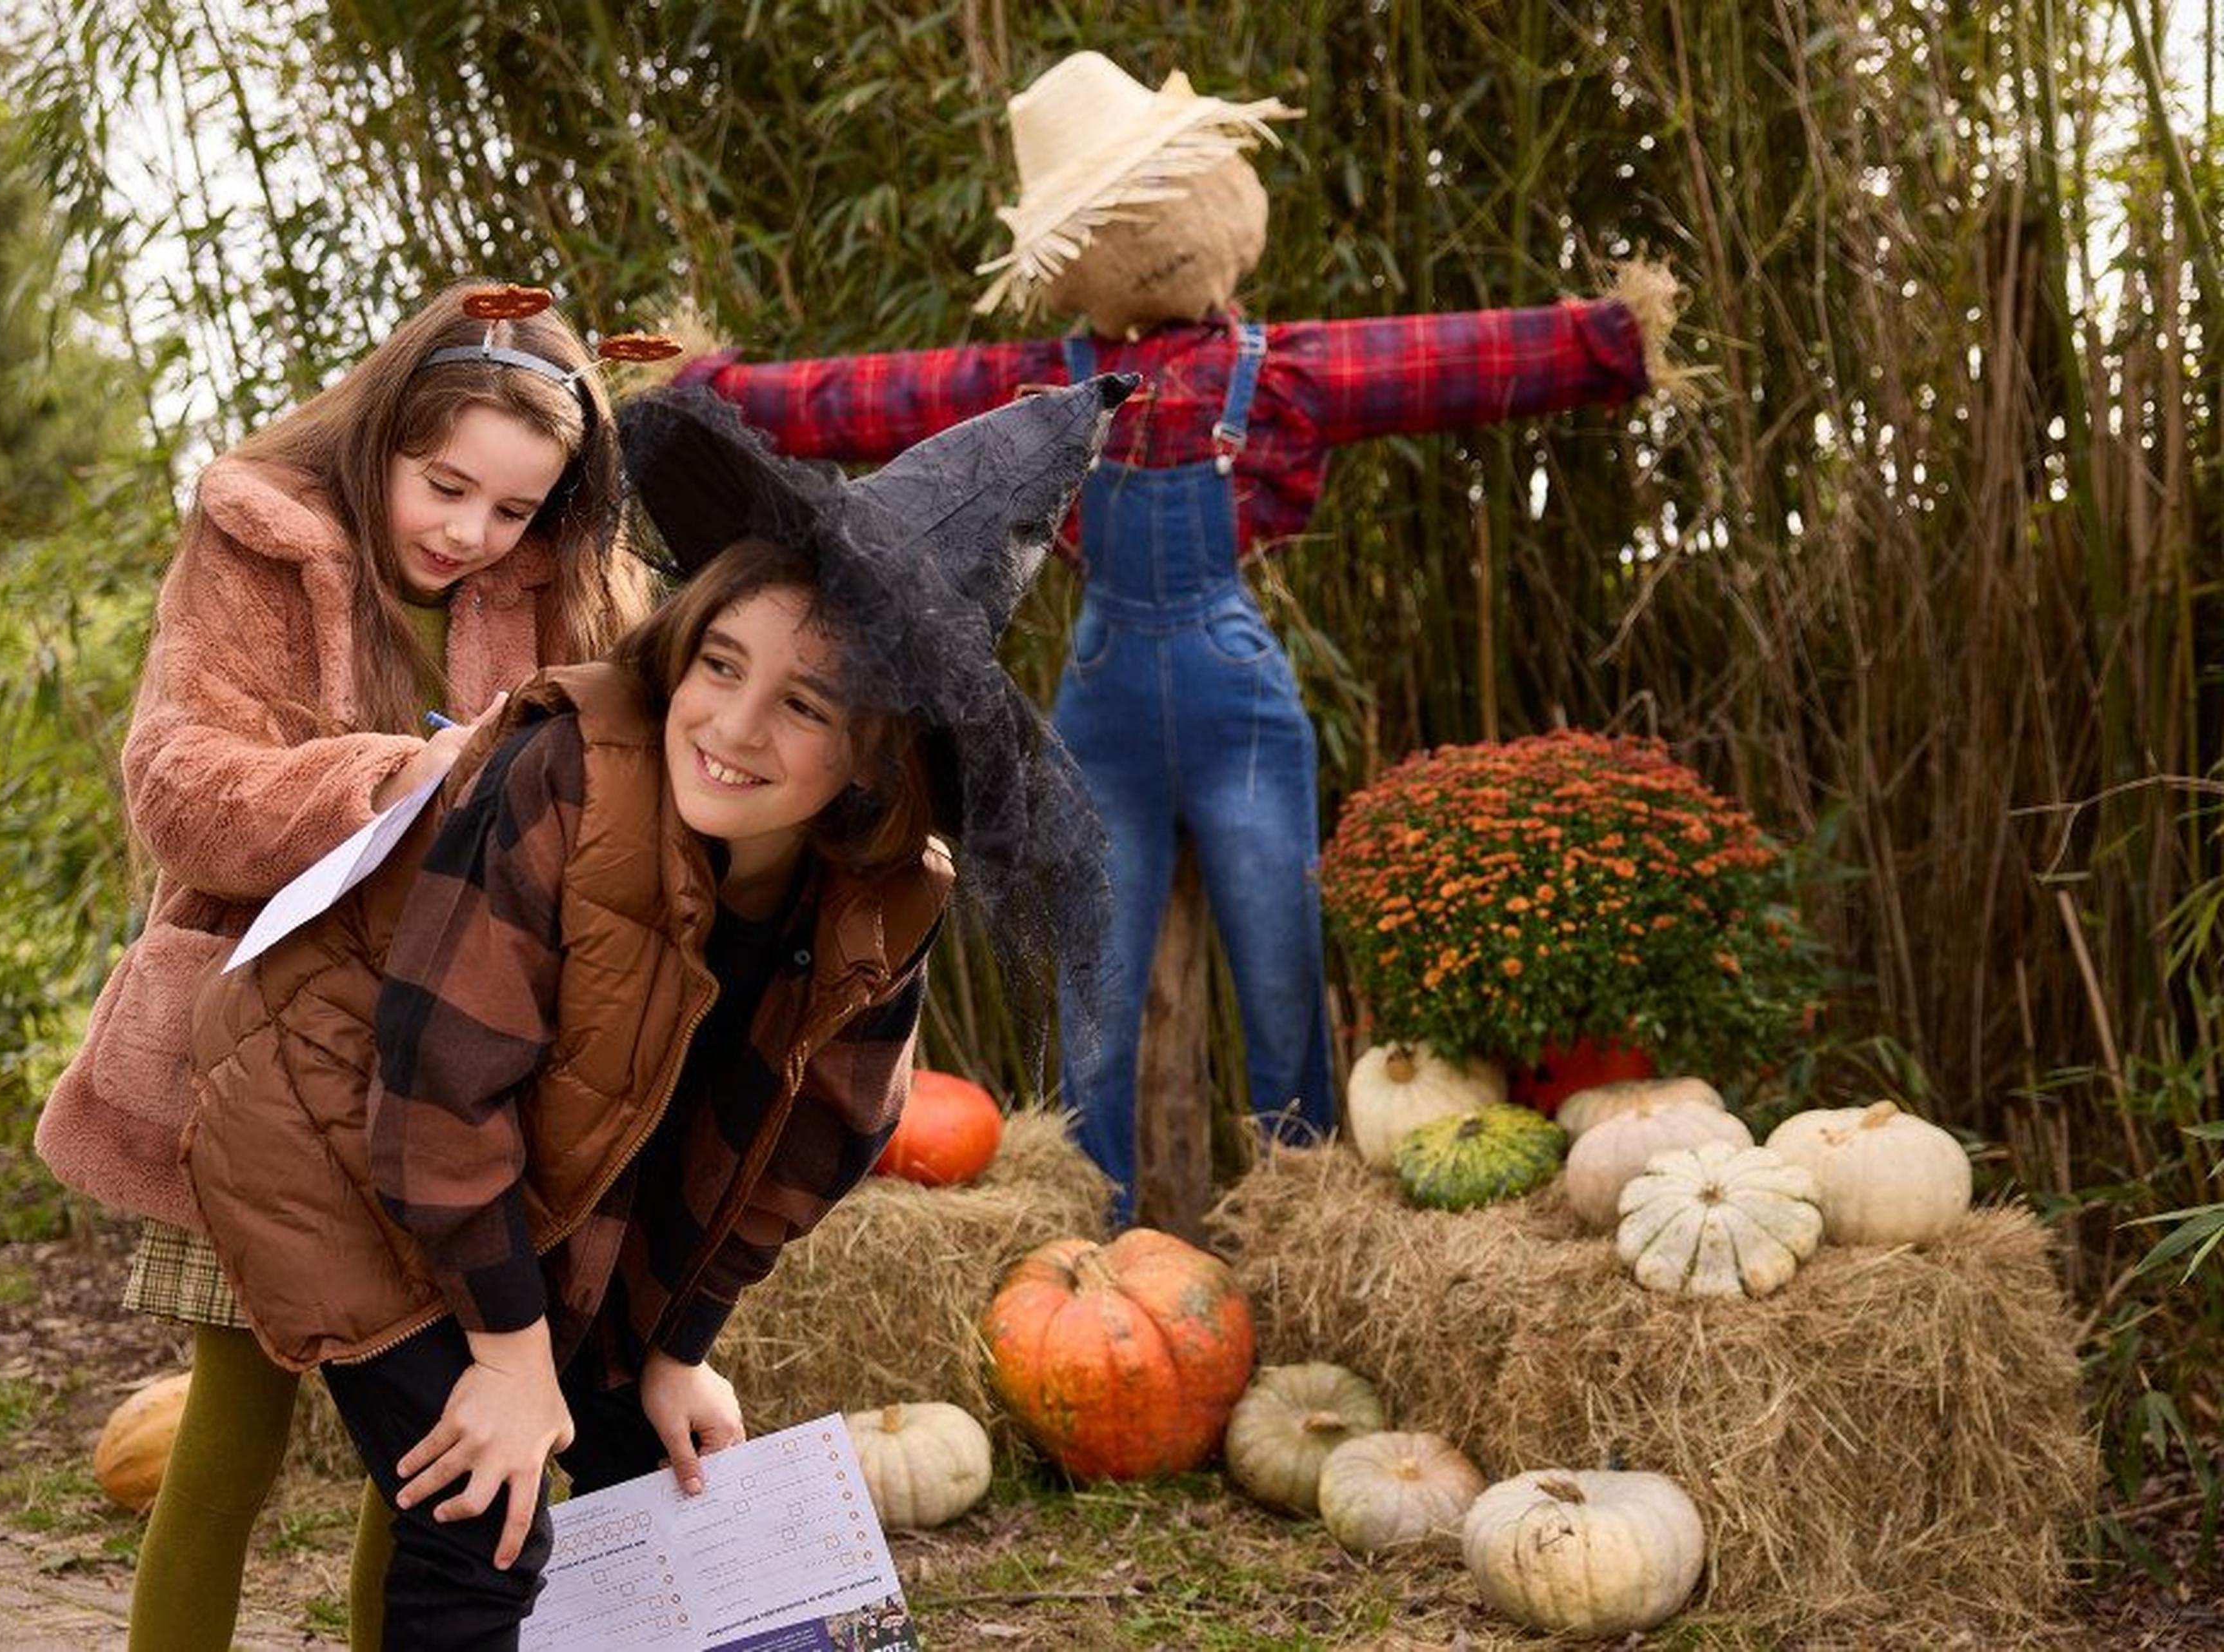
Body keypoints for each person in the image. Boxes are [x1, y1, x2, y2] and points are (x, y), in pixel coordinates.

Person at [180, 375, 1127, 1646]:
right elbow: (440, 1085)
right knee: (486, 1519)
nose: (731, 727)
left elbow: (798, 1155)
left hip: (530, 1180)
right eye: (720, 664)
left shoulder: (886, 898)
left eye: (803, 705)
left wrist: (674, 1348)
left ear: (880, 751)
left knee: (658, 1470)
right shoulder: (563, 769)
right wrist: (514, 1357)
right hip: (343, 1129)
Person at [681, 51, 1672, 1224]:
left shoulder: (1139, 379)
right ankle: (1102, 1232)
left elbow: (880, 395)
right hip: (1146, 719)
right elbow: (876, 395)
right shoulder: (1132, 381)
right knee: (1102, 977)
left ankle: (1291, 1218)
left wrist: (711, 388)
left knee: (1271, 965)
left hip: (1218, 718)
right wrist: (1613, 339)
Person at [34, 279, 654, 1649]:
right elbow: (178, 784)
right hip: (248, 1072)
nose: (471, 533)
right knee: (230, 1440)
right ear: (383, 432)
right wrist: (398, 780)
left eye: (513, 510)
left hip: (446, 1075)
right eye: (445, 487)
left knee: (436, 1458)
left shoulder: (564, 586)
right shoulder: (262, 538)